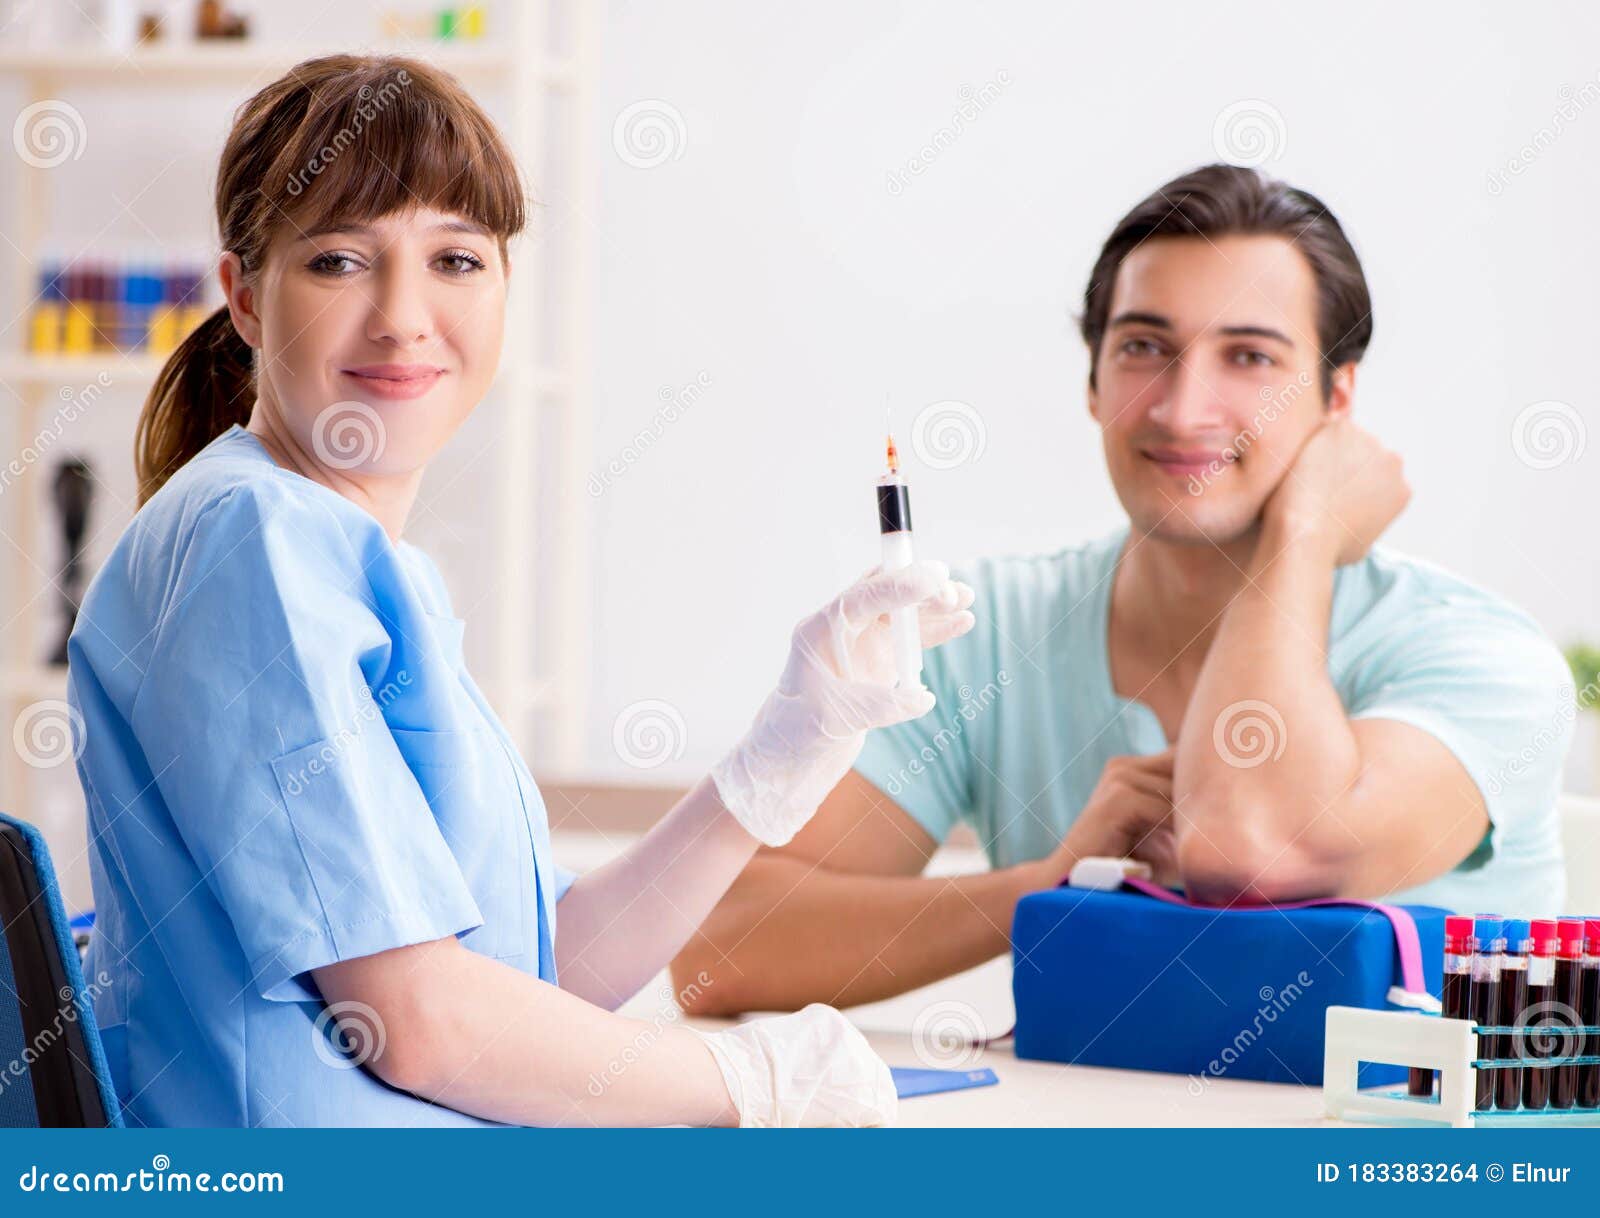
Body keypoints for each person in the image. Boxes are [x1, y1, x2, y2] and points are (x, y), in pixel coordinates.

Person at [67, 54, 975, 1128]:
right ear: (245, 299)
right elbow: (423, 1025)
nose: (404, 317)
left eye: (455, 258)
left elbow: (530, 983)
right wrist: (755, 1086)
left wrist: (771, 767)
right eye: (340, 261)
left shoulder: (358, 563)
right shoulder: (252, 540)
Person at [674, 163, 1575, 1016]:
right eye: (1145, 346)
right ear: (1094, 381)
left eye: (1251, 358)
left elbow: (1249, 849)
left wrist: (1301, 535)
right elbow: (714, 950)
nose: (1184, 410)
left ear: (1339, 399)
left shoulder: (1485, 660)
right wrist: (1049, 887)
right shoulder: (990, 632)